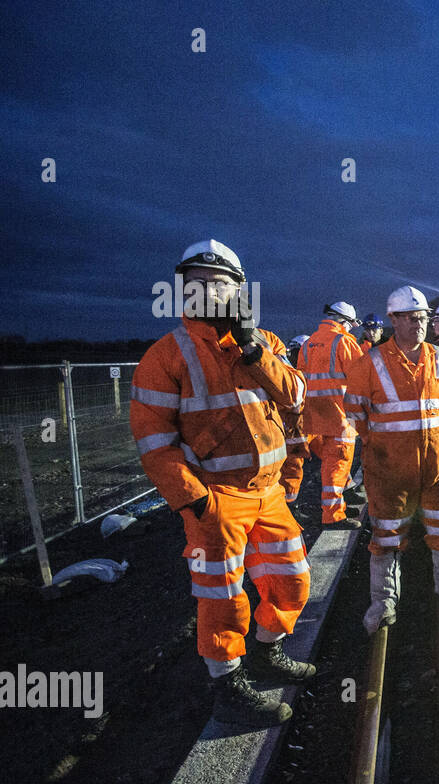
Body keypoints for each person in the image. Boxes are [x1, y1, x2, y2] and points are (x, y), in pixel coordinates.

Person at [130, 240, 313, 728]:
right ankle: (228, 685)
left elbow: (295, 395)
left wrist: (253, 350)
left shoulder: (266, 343)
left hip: (268, 492)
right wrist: (195, 502)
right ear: (184, 290)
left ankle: (268, 650)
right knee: (221, 596)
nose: (209, 290)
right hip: (217, 499)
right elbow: (154, 442)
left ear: (239, 289)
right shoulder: (165, 355)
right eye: (197, 282)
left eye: (221, 282)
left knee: (292, 579)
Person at [345, 286, 439, 635]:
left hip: (436, 467)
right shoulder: (369, 363)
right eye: (411, 319)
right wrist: (383, 448)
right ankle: (383, 602)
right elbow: (355, 412)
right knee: (386, 537)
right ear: (393, 320)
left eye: (423, 319)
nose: (418, 325)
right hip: (388, 468)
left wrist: (438, 447)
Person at [298, 302, 364, 528]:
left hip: (312, 417)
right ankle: (333, 516)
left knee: (328, 465)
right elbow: (361, 380)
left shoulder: (307, 345)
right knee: (336, 466)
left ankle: (337, 505)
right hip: (339, 416)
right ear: (345, 322)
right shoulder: (345, 342)